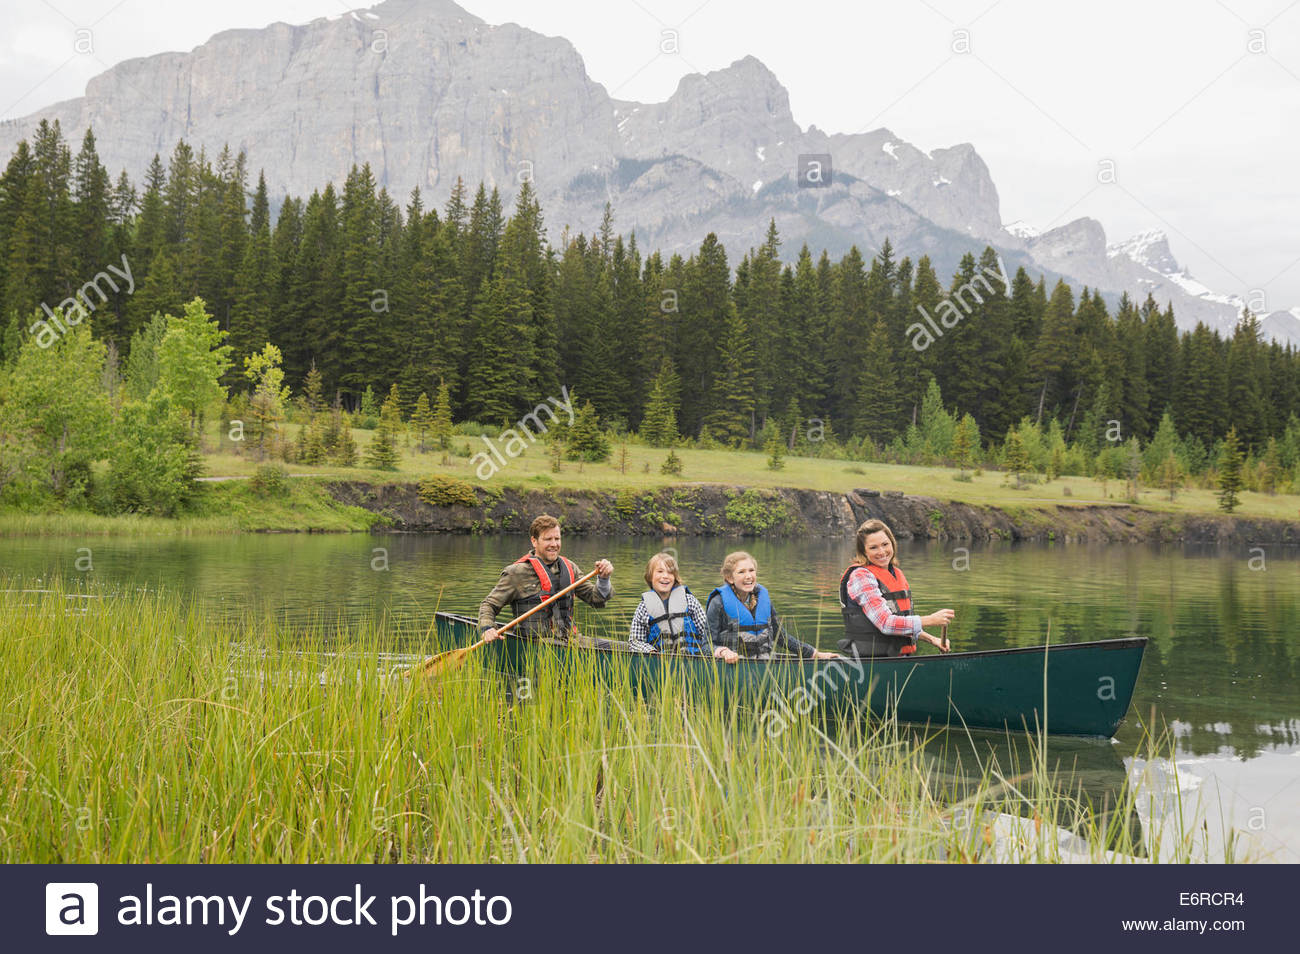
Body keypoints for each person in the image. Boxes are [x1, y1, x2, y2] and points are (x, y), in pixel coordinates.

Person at [479, 514, 613, 641]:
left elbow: (597, 600)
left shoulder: (570, 567)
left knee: (613, 647)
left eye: (557, 539)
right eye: (548, 539)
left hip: (570, 641)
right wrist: (487, 628)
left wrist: (603, 579)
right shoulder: (516, 573)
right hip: (535, 645)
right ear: (534, 541)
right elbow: (489, 605)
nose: (554, 544)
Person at [838, 518, 953, 658]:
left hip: (898, 659)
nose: (881, 551)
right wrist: (930, 619)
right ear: (864, 552)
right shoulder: (861, 577)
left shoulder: (896, 573)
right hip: (872, 662)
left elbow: (902, 622)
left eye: (885, 544)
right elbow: (886, 623)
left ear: (892, 543)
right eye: (873, 547)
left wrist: (932, 639)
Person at [707, 551, 839, 662]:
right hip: (734, 670)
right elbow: (706, 645)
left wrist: (815, 654)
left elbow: (781, 636)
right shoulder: (718, 603)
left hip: (765, 666)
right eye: (741, 572)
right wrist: (724, 652)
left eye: (751, 570)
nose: (748, 576)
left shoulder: (762, 599)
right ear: (730, 578)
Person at [628, 552, 714, 656]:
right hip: (659, 663)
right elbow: (635, 642)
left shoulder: (689, 601)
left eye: (670, 572)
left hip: (693, 661)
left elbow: (707, 633)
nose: (665, 576)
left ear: (675, 577)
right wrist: (651, 652)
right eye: (660, 571)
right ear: (650, 577)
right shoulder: (643, 608)